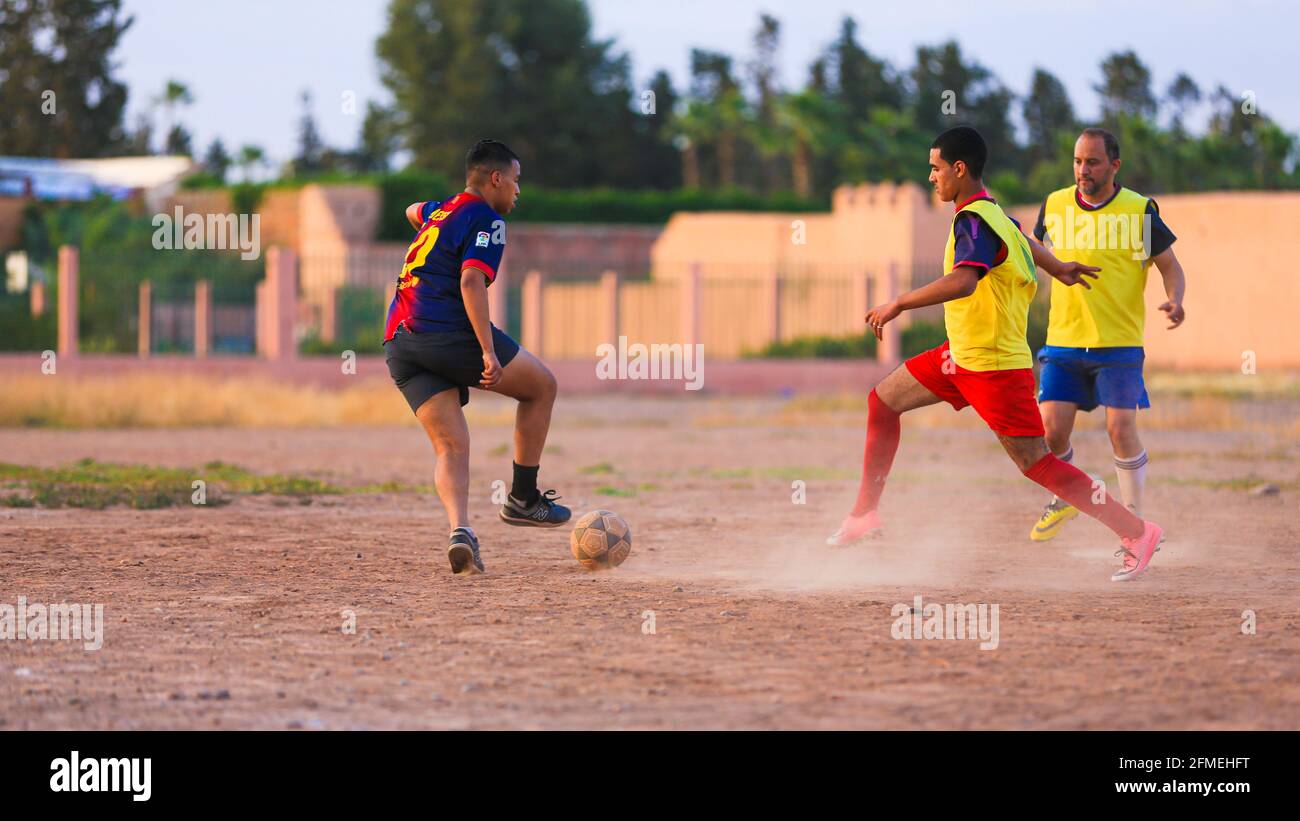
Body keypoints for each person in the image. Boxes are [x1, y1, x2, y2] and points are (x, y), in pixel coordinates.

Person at [827, 125, 1164, 581]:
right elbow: (1025, 242)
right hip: (959, 357)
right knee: (882, 401)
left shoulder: (975, 221)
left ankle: (1137, 532)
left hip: (993, 368)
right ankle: (864, 514)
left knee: (1039, 465)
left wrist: (899, 302)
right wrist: (1060, 267)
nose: (932, 177)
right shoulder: (994, 214)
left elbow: (965, 280)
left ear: (959, 169)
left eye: (936, 168)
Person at [383, 139, 570, 576]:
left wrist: (432, 222)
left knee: (450, 445)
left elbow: (413, 210)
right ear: (496, 179)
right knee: (542, 386)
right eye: (516, 181)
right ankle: (524, 498)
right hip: (444, 331)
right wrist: (487, 351)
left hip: (399, 341)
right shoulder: (488, 219)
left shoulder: (440, 210)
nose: (518, 191)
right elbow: (470, 282)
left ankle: (460, 531)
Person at [1029, 127, 1186, 542]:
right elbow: (1036, 252)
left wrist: (1176, 299)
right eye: (1078, 161)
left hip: (1118, 345)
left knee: (1119, 428)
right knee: (1051, 432)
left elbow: (1170, 266)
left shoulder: (1139, 210)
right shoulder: (1055, 205)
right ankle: (1066, 495)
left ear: (1114, 165)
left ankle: (1134, 526)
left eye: (1093, 162)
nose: (1083, 169)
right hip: (1063, 341)